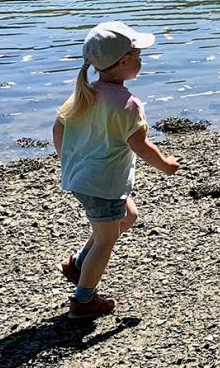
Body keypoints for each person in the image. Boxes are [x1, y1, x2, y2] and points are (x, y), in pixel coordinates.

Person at [52, 21, 180, 319]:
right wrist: (166, 165)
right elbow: (140, 145)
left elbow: (59, 128)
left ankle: (79, 264)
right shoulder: (128, 104)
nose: (140, 61)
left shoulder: (82, 95)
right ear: (123, 62)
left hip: (82, 180)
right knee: (106, 240)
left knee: (128, 216)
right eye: (137, 56)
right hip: (102, 185)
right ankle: (83, 301)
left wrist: (68, 160)